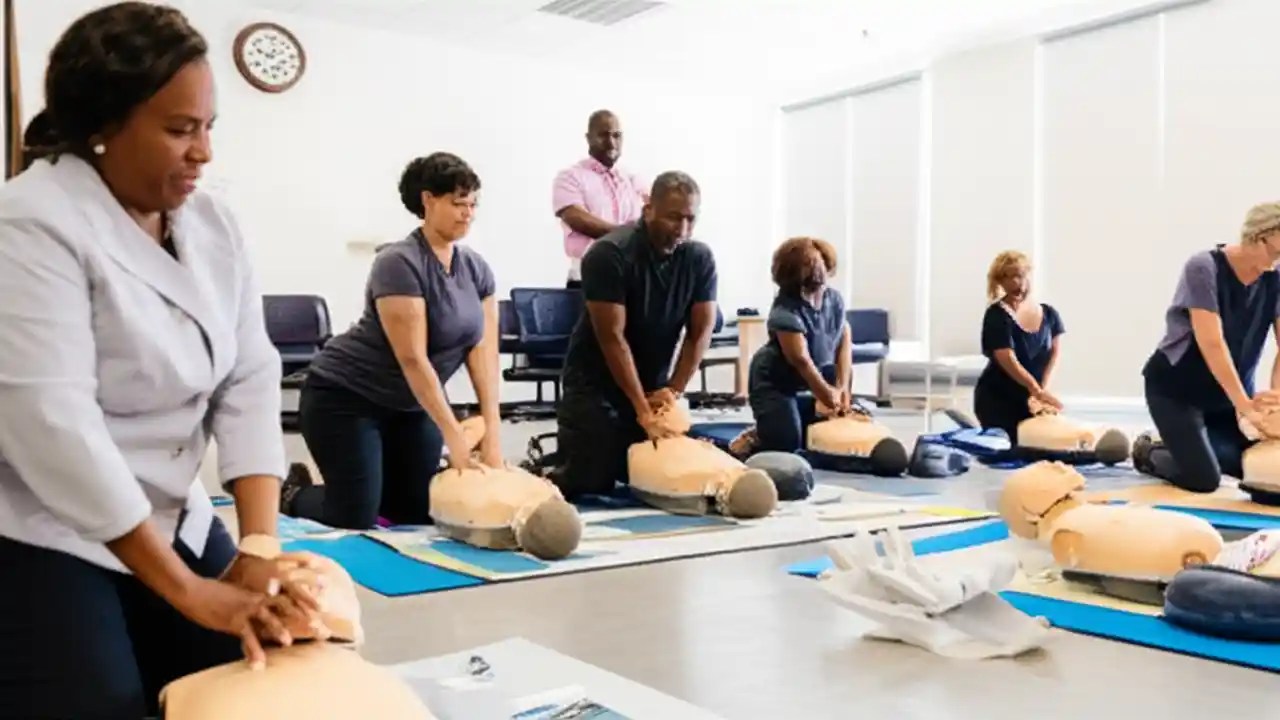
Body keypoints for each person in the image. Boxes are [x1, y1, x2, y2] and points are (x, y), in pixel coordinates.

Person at [0, 3, 320, 717]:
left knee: (266, 665)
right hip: (42, 523)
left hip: (173, 511)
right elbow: (52, 423)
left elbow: (249, 373)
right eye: (180, 130)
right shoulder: (31, 222)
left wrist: (260, 542)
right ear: (100, 131)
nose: (203, 151)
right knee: (104, 699)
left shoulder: (212, 221)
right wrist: (187, 590)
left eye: (208, 128)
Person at [282, 152, 501, 529]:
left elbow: (484, 354)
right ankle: (291, 492)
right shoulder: (398, 262)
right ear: (428, 201)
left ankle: (374, 483)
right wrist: (454, 434)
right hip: (347, 397)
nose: (468, 213)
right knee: (354, 516)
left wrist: (492, 434)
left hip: (411, 407)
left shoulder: (477, 269)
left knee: (415, 513)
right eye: (457, 203)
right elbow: (413, 359)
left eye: (473, 204)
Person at [552, 171, 717, 499]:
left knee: (651, 472)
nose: (682, 229)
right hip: (594, 384)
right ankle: (550, 468)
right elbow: (613, 338)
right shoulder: (608, 254)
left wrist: (672, 394)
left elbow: (700, 332)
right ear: (648, 209)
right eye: (673, 218)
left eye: (690, 219)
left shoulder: (699, 258)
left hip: (653, 382)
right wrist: (641, 410)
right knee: (592, 480)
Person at [1135, 203, 1280, 492]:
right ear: (1255, 236)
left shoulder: (1276, 276)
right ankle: (1149, 451)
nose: (1278, 259)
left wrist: (1276, 400)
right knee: (1204, 479)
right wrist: (1246, 408)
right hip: (1178, 391)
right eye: (1275, 250)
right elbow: (1212, 343)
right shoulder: (1204, 267)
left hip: (1226, 397)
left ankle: (1192, 444)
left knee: (1250, 468)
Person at [745, 237, 852, 452]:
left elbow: (844, 341)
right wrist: (826, 394)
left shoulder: (834, 300)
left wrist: (841, 388)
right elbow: (801, 360)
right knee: (787, 444)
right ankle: (755, 437)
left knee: (823, 436)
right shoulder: (784, 311)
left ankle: (794, 415)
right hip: (774, 381)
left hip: (809, 377)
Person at [973, 250, 1065, 442]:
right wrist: (1036, 390)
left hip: (1032, 400)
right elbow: (1007, 358)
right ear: (999, 282)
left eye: (1020, 275)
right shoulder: (997, 315)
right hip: (999, 400)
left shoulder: (1049, 314)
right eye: (1008, 277)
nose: (1017, 282)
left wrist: (1042, 390)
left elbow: (1054, 354)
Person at [552, 110, 647, 288]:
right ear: (588, 138)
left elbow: (654, 217)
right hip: (588, 277)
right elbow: (577, 218)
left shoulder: (633, 179)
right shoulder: (570, 177)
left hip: (633, 278)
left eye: (616, 135)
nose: (611, 142)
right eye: (603, 135)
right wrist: (628, 237)